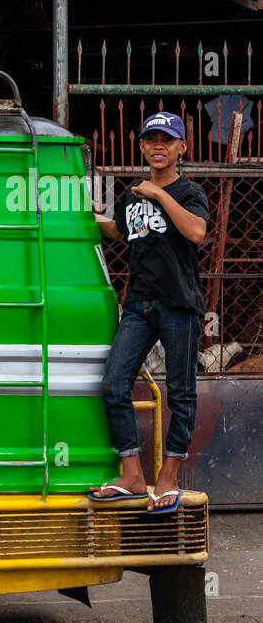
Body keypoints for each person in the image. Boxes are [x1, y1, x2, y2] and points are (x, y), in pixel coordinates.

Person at [89, 112, 210, 513]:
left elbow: (196, 232)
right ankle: (133, 476)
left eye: (167, 139)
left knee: (181, 393)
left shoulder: (189, 192)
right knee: (113, 385)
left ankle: (168, 479)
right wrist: (82, 219)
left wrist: (159, 195)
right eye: (150, 139)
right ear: (141, 146)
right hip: (139, 304)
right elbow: (120, 231)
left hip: (179, 304)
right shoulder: (131, 196)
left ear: (181, 148)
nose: (158, 146)